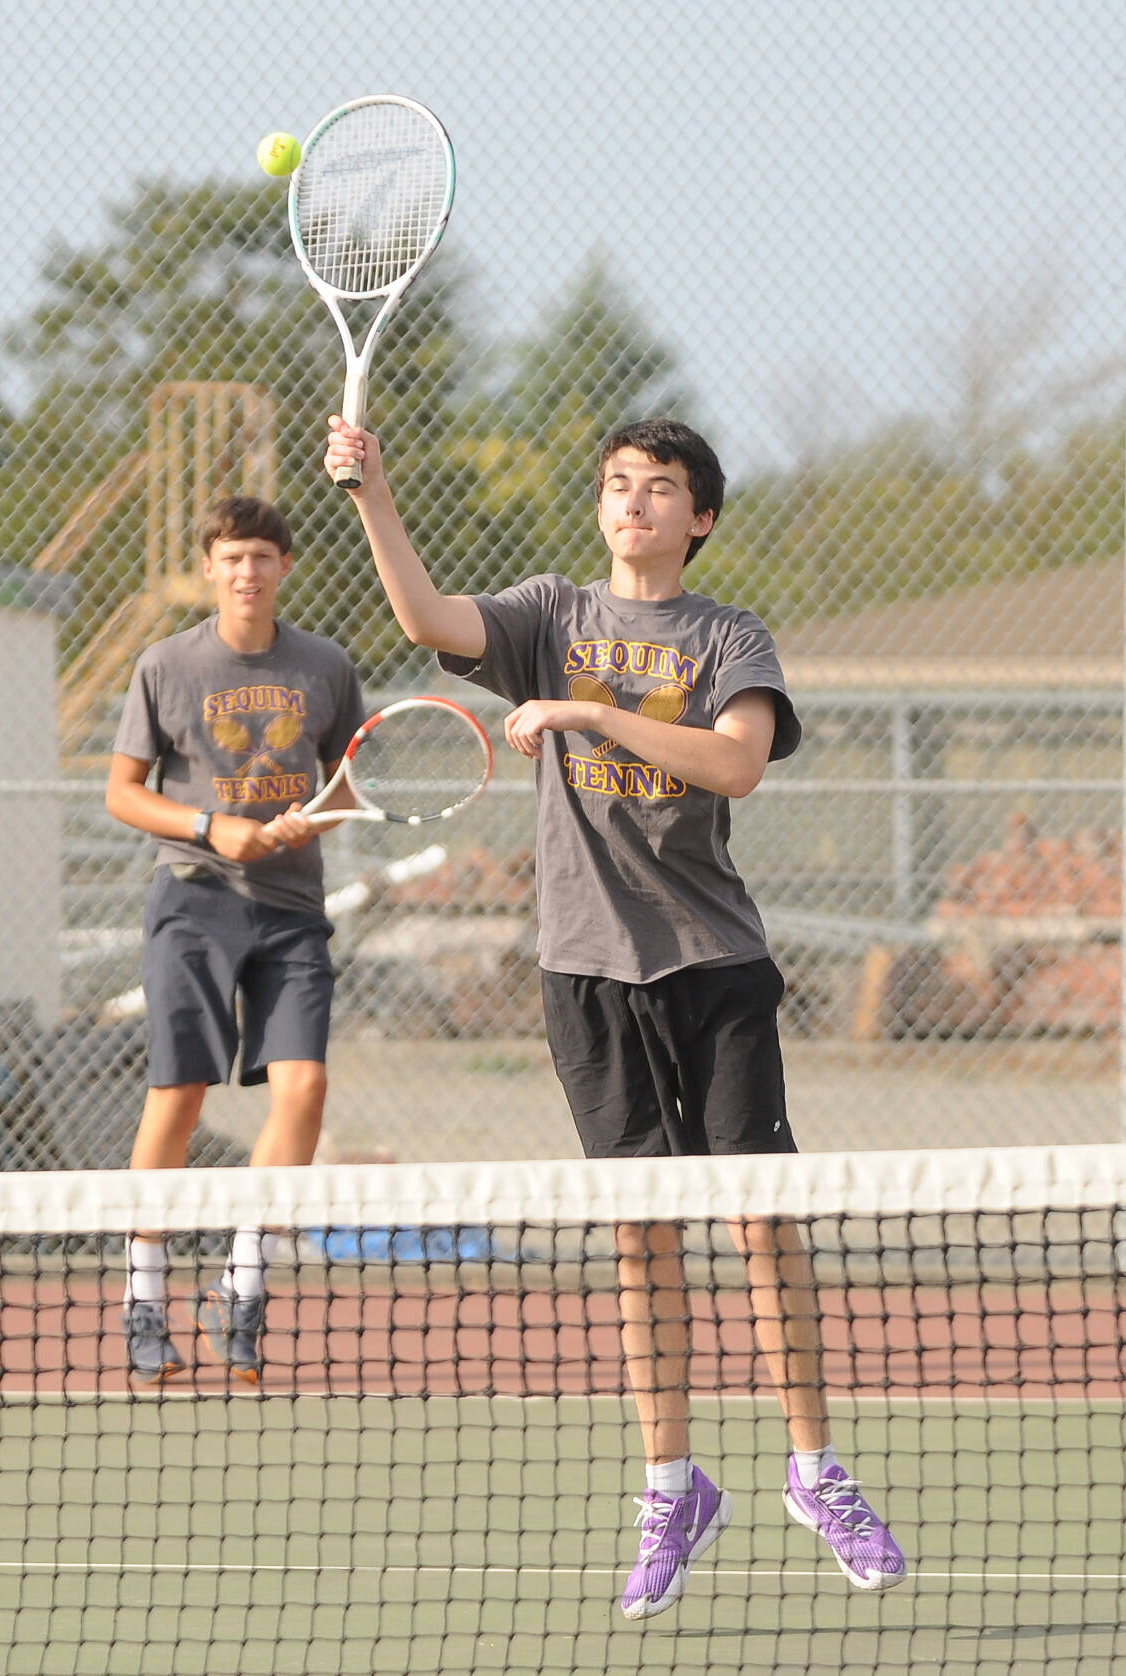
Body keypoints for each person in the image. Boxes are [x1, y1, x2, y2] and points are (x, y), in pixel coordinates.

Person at [323, 414, 907, 1617]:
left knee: (758, 1218)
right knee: (640, 1231)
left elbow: (735, 762)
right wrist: (372, 492)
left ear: (698, 518)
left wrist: (587, 715)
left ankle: (812, 1468)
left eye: (659, 488)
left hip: (714, 960)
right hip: (586, 972)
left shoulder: (726, 634)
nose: (632, 501)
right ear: (600, 509)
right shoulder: (547, 615)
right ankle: (668, 1484)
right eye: (615, 485)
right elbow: (427, 621)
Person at [106, 493, 364, 1385]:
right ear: (210, 568)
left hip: (291, 912)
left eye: (263, 556)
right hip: (193, 900)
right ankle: (145, 1293)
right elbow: (124, 794)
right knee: (178, 1095)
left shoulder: (326, 666)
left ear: (285, 567)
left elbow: (345, 787)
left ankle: (242, 1281)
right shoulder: (166, 665)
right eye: (231, 558)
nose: (247, 572)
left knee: (305, 1087)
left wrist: (304, 825)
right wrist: (215, 828)